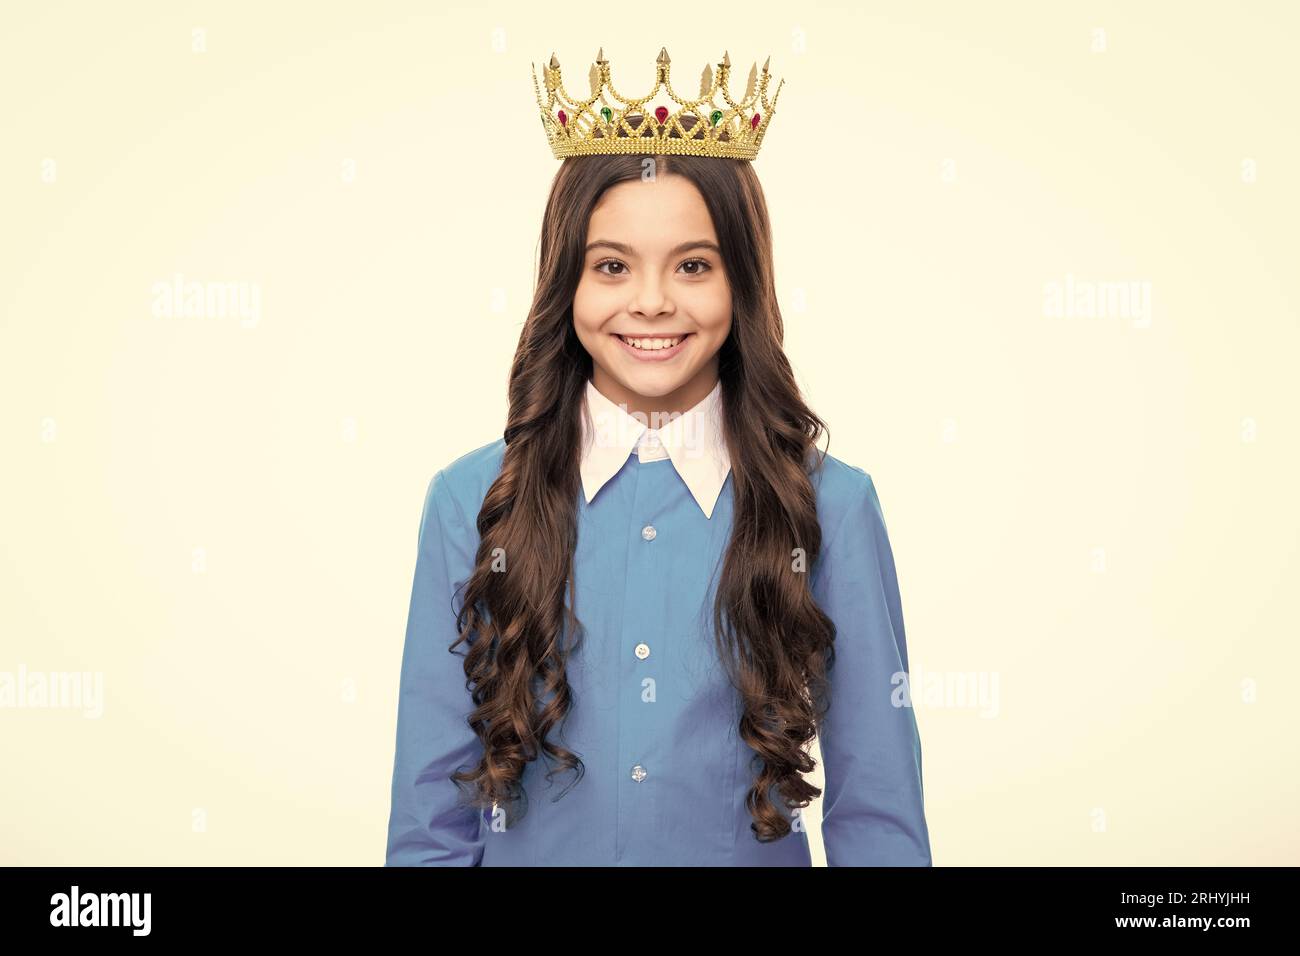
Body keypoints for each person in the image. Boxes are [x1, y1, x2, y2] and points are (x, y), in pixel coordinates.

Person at [385, 47, 932, 866]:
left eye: (693, 266)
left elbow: (879, 814)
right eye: (612, 266)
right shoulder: (469, 500)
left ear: (742, 283)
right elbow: (433, 816)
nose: (650, 301)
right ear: (565, 283)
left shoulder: (830, 506)